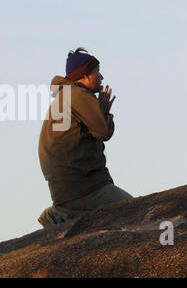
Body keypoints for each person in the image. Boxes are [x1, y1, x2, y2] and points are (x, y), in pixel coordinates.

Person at [36, 48, 132, 228]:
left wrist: (102, 112)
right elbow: (104, 133)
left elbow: (101, 133)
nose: (101, 77)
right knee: (134, 210)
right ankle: (59, 215)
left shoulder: (64, 97)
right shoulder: (78, 95)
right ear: (86, 75)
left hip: (65, 189)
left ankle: (63, 212)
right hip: (85, 188)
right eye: (97, 72)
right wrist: (104, 111)